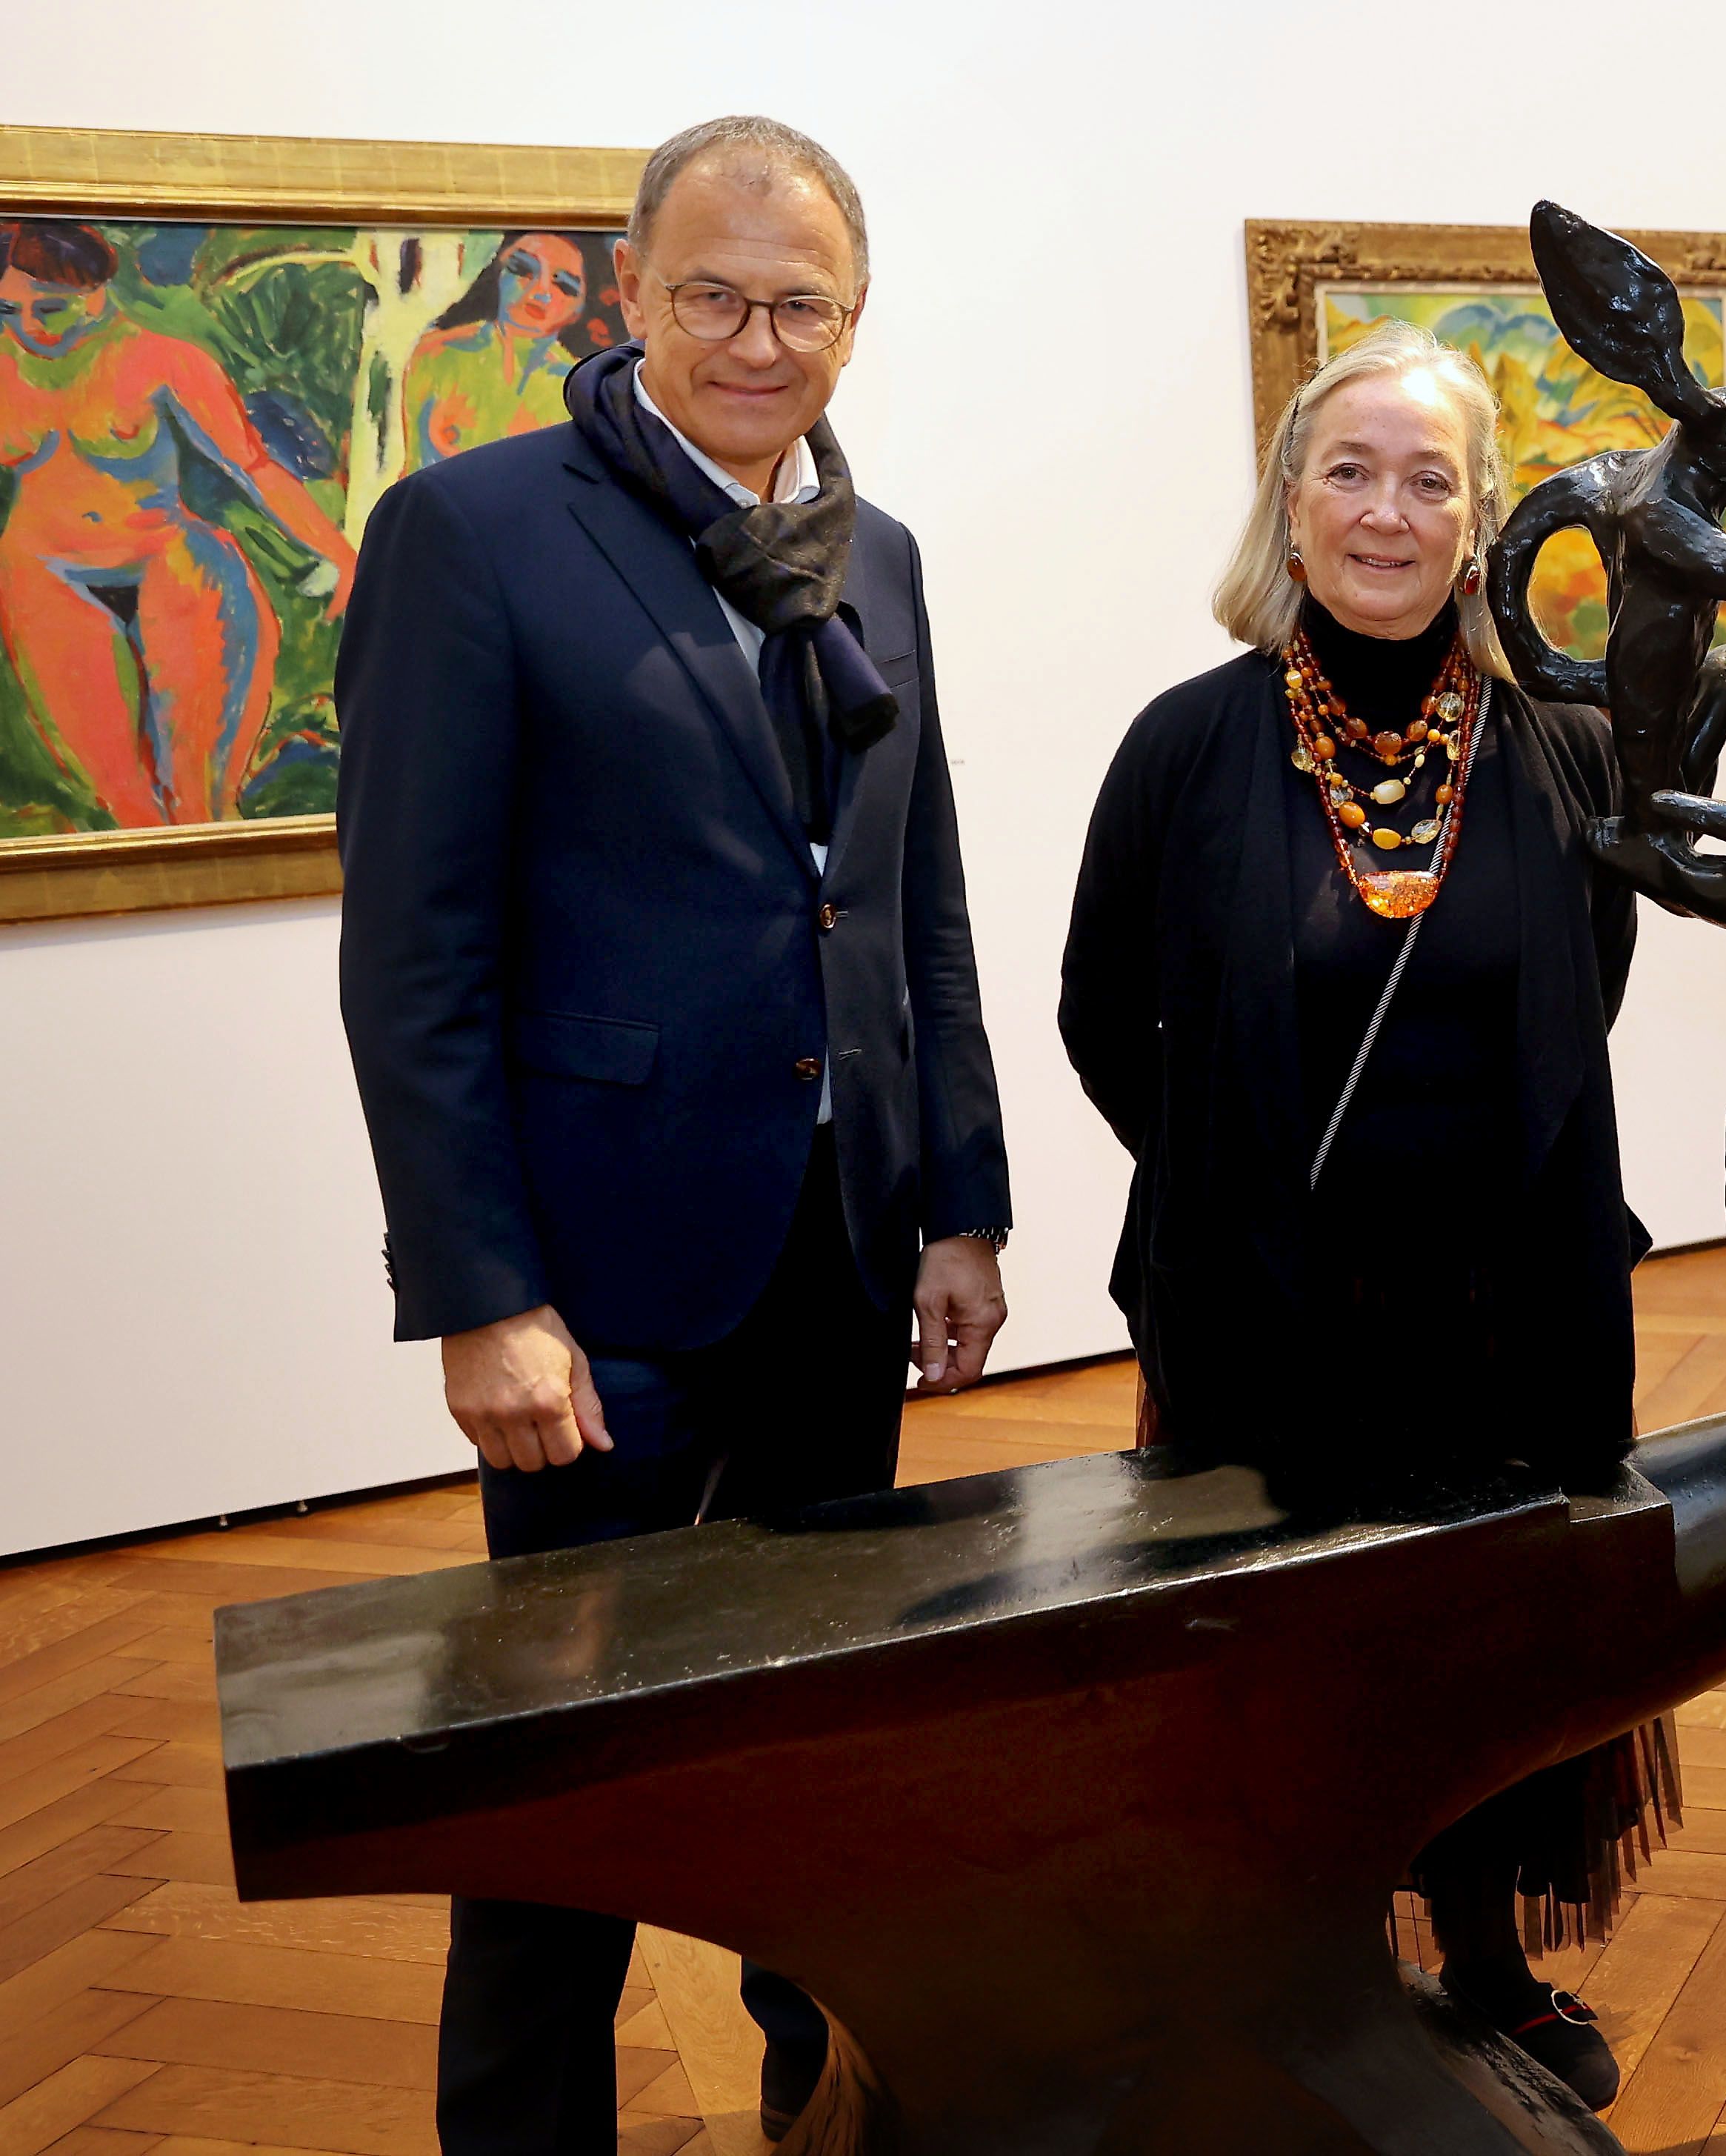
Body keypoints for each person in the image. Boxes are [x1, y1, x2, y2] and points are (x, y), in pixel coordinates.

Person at [335, 115, 1013, 2154]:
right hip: (602, 1287)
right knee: (563, 1775)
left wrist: (959, 1203)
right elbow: (414, 957)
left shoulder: (873, 550)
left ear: (854, 321)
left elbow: (916, 901)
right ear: (626, 293)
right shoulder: (475, 532)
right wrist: (483, 1293)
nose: (753, 337)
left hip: (835, 1247)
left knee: (825, 1742)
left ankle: (835, 2098)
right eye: (709, 292)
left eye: (798, 301)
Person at [1059, 320, 1660, 2113]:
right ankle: (1293, 1947)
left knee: (1485, 1650)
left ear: (1479, 522)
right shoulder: (1185, 746)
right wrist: (1241, 1196)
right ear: (1290, 505)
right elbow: (1104, 1007)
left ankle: (1488, 1951)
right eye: (1349, 472)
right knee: (1277, 1650)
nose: (1385, 514)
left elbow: (1585, 998)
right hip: (1265, 1297)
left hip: (1504, 1303)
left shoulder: (1562, 744)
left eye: (1428, 481)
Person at [0, 218, 357, 828]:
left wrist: (345, 557)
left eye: (51, 310)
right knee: (125, 806)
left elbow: (254, 466)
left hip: (171, 565)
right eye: (8, 310)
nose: (29, 328)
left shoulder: (161, 359)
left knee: (203, 803)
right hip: (45, 578)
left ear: (96, 292)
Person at [402, 232, 594, 466]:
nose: (541, 291)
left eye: (563, 284)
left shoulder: (581, 390)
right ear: (500, 274)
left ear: (578, 306)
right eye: (523, 269)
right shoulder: (436, 353)